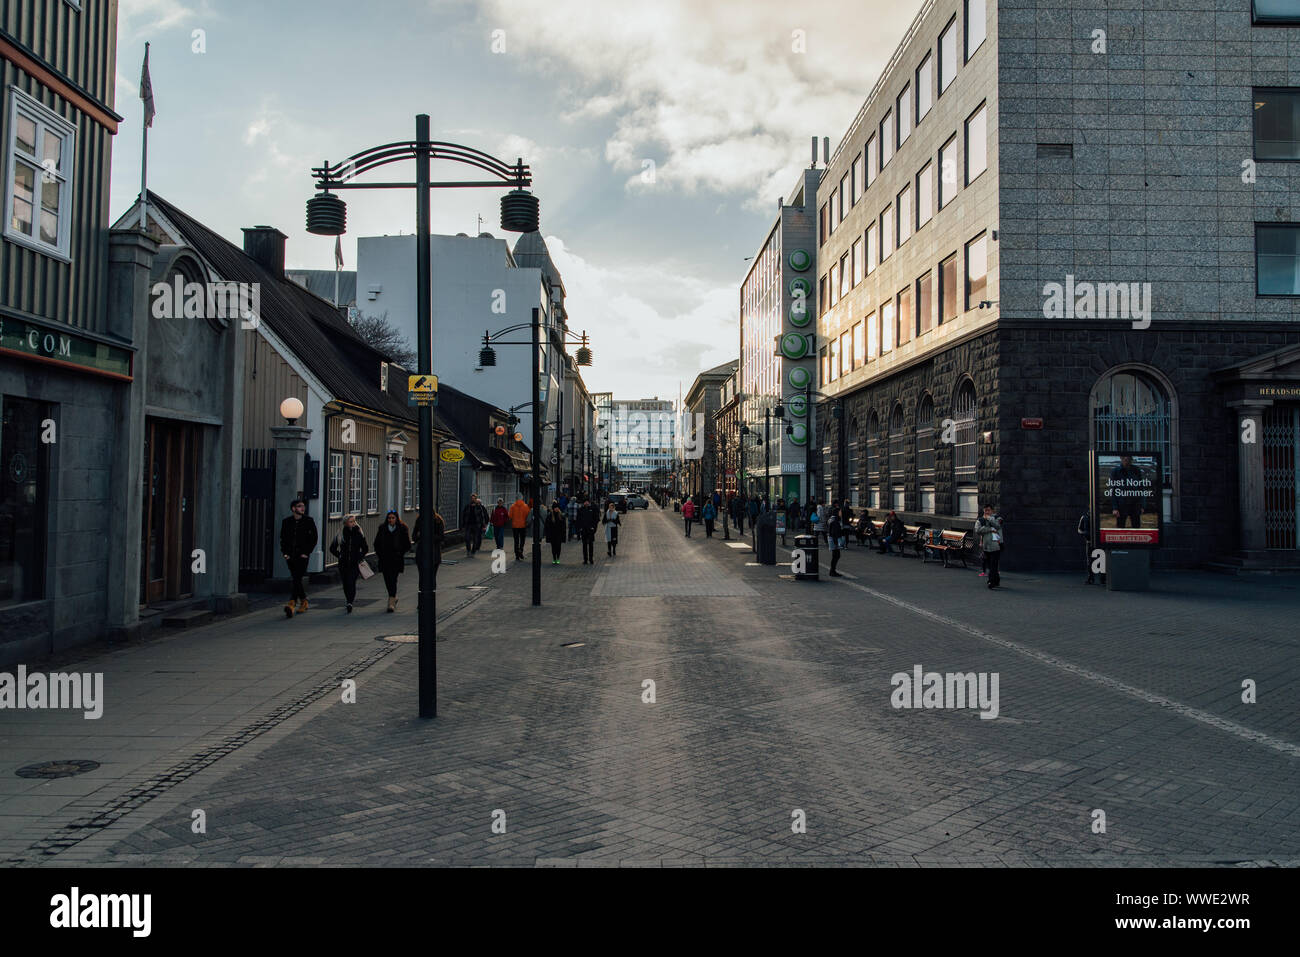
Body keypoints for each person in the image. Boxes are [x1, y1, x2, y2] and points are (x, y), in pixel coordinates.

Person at [279, 498, 318, 617]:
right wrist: (285, 553)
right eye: (300, 506)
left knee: (297, 577)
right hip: (290, 555)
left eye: (303, 506)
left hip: (303, 555)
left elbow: (314, 538)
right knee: (296, 578)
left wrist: (307, 552)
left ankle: (292, 603)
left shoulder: (308, 521)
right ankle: (303, 601)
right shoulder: (286, 522)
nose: (303, 508)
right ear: (293, 509)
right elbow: (283, 538)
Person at [328, 513, 367, 613]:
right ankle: (348, 600)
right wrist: (339, 555)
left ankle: (350, 602)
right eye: (351, 522)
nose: (353, 523)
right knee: (345, 583)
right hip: (343, 563)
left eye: (354, 521)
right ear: (345, 523)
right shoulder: (340, 533)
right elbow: (332, 548)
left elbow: (365, 548)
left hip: (355, 563)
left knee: (351, 582)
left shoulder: (359, 533)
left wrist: (360, 556)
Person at [373, 509, 411, 612]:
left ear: (396, 519)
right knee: (387, 579)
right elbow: (376, 543)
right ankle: (393, 597)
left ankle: (391, 602)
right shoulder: (382, 528)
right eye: (389, 518)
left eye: (393, 518)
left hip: (396, 559)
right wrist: (379, 553)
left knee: (393, 579)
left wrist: (400, 552)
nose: (391, 520)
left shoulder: (402, 528)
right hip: (385, 559)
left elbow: (407, 544)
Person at [1110, 454, 1147, 529]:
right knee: (1120, 527)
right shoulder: (1115, 471)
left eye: (1128, 457)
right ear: (1121, 458)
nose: (1126, 458)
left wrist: (1142, 505)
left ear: (1131, 458)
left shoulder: (1136, 470)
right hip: (1121, 504)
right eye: (1124, 457)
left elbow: (1141, 488)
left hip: (1135, 504)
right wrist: (1115, 508)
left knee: (1136, 527)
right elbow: (1113, 490)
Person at [411, 509, 445, 590]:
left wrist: (428, 535)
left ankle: (431, 594)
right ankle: (422, 593)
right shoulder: (419, 520)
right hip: (421, 554)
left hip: (434, 554)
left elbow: (441, 537)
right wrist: (419, 536)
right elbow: (414, 536)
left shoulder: (438, 521)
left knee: (432, 576)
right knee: (422, 576)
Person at [974, 505, 1004, 589]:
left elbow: (997, 526)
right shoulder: (980, 520)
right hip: (986, 546)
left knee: (994, 564)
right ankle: (996, 580)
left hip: (996, 545)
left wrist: (990, 519)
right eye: (985, 511)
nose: (987, 512)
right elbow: (978, 530)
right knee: (990, 565)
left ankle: (991, 581)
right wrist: (989, 529)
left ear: (992, 511)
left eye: (988, 510)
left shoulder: (998, 518)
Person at [577, 495, 599, 564]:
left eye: (587, 502)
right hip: (583, 530)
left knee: (591, 544)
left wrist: (594, 528)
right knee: (584, 545)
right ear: (583, 503)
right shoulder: (580, 510)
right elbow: (578, 520)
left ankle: (591, 558)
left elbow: (596, 519)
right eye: (585, 502)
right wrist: (580, 528)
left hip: (590, 530)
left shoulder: (592, 509)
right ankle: (585, 559)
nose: (586, 503)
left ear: (589, 502)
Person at [509, 494, 531, 561]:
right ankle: (521, 550)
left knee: (516, 540)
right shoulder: (525, 506)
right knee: (522, 539)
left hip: (515, 526)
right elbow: (528, 516)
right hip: (523, 526)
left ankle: (517, 555)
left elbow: (510, 516)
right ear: (522, 498)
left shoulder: (512, 506)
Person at [1078, 509, 1096, 585]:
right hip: (1089, 541)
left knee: (1099, 560)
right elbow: (1079, 529)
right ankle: (1091, 578)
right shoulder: (1084, 517)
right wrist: (1084, 533)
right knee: (1090, 561)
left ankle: (1103, 578)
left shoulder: (1096, 517)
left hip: (1096, 541)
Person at [827, 503, 844, 577]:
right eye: (840, 512)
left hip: (833, 538)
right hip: (834, 539)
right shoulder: (835, 521)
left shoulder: (832, 519)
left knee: (836, 555)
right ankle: (832, 571)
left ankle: (833, 570)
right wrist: (836, 542)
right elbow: (834, 532)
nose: (841, 513)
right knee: (836, 555)